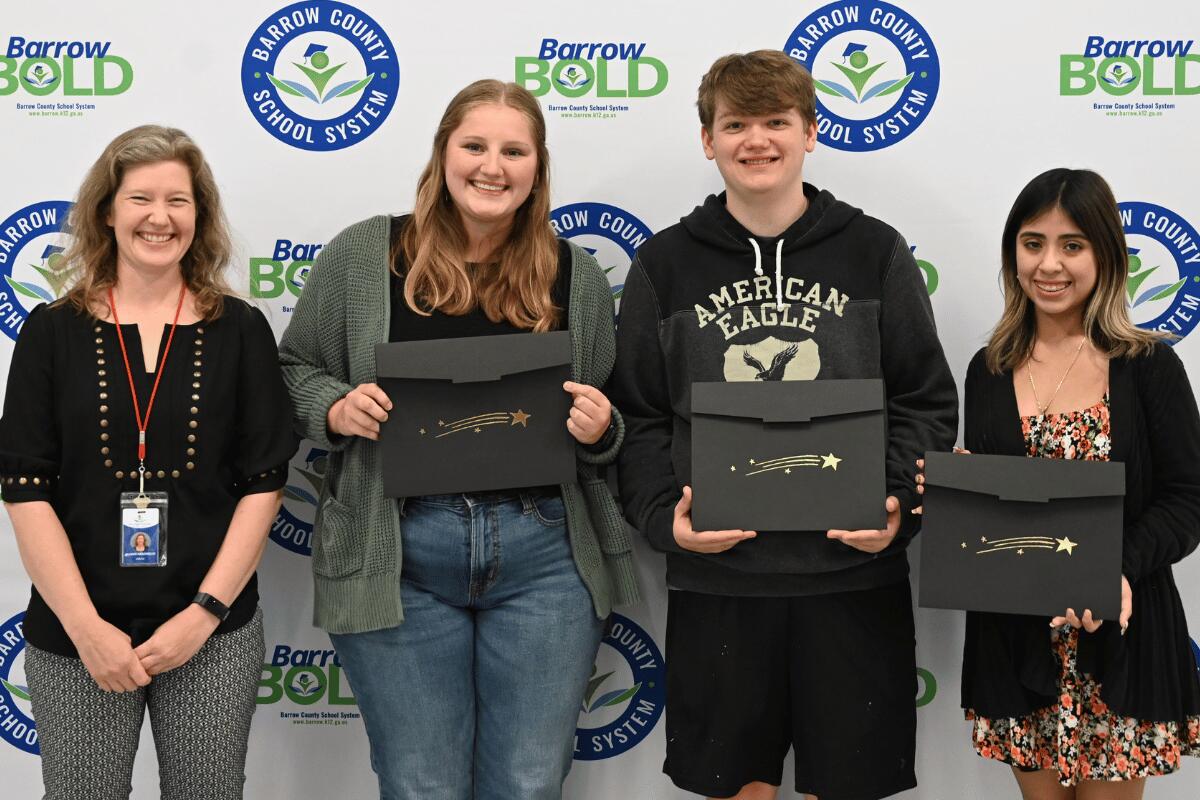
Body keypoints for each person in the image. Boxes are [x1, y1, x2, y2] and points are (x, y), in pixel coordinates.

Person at [610, 50, 958, 800]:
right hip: (720, 580)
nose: (756, 140)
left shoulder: (874, 251)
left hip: (853, 576)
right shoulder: (664, 265)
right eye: (735, 124)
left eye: (776, 122)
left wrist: (897, 504)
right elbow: (636, 414)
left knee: (847, 786)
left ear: (811, 132)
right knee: (738, 788)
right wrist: (664, 521)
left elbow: (926, 399)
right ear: (709, 141)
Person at [278, 79, 638, 799]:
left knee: (530, 782)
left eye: (514, 150)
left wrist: (602, 428)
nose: (491, 166)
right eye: (474, 145)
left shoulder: (576, 274)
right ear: (443, 153)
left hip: (546, 555)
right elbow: (296, 366)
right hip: (399, 551)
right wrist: (336, 409)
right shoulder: (363, 256)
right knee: (420, 785)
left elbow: (611, 416)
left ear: (537, 167)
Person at [0, 125, 296, 799]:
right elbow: (25, 487)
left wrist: (204, 613)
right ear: (107, 210)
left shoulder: (242, 330)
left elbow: (264, 483)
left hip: (210, 633)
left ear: (201, 215)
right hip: (80, 632)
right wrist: (86, 629)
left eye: (178, 200)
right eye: (140, 198)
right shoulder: (51, 332)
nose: (159, 217)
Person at [920, 168, 1200, 798]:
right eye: (1032, 242)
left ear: (1104, 254)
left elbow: (1188, 500)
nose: (1049, 264)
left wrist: (1112, 571)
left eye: (1072, 245)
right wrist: (954, 493)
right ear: (1012, 252)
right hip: (1018, 638)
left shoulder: (1148, 366)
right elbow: (1000, 511)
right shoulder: (988, 369)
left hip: (1121, 636)